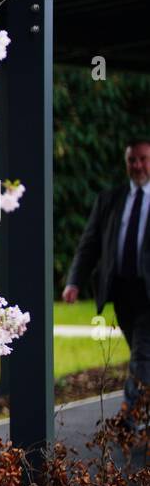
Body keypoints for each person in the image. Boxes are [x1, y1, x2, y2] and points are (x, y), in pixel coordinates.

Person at [63, 139, 150, 426]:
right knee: (142, 355)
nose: (137, 165)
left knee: (142, 354)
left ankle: (129, 416)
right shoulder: (110, 199)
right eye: (132, 160)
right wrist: (74, 281)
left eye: (143, 159)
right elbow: (89, 245)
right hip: (122, 292)